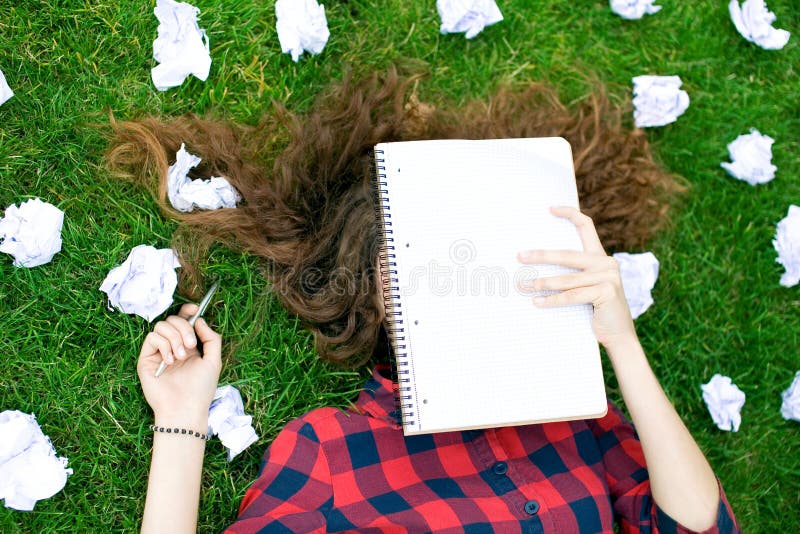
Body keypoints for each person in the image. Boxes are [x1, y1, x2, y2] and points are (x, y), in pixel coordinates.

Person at [108, 69, 739, 533]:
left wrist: (622, 343)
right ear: (370, 290)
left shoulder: (576, 416)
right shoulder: (332, 451)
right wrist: (181, 417)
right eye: (407, 256)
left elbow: (700, 525)